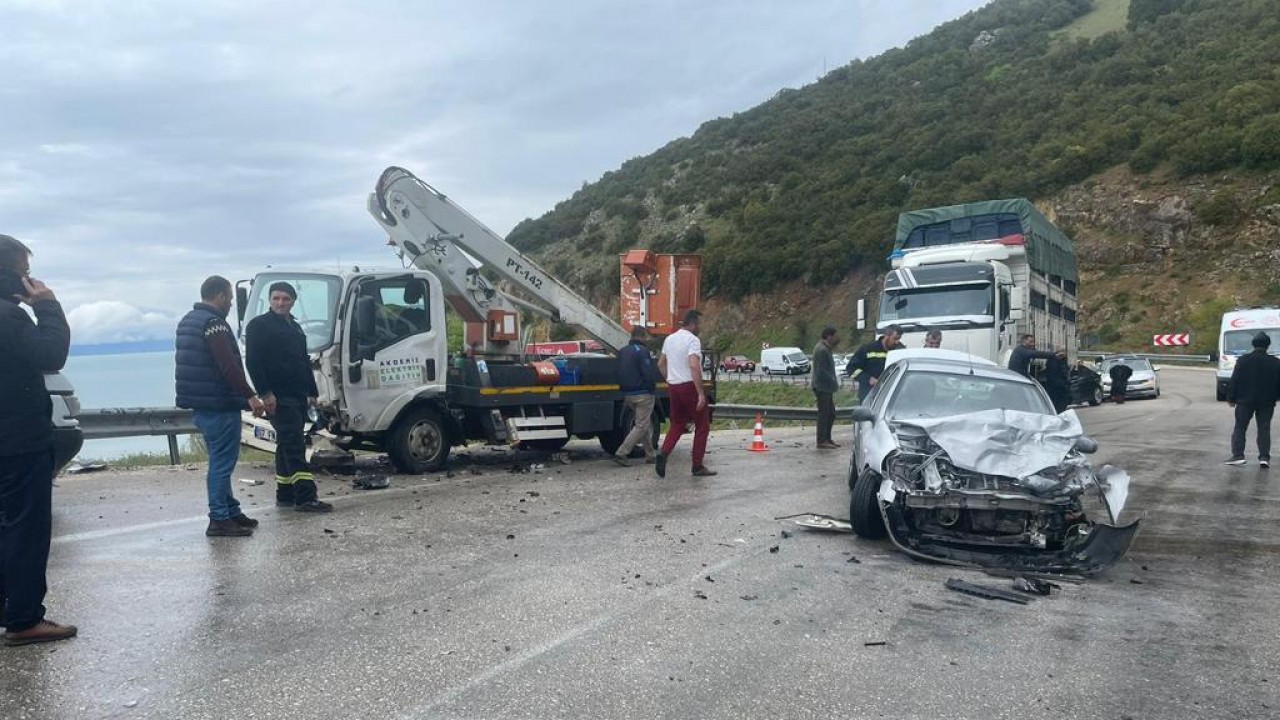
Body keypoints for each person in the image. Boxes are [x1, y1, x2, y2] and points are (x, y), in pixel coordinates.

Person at [0, 234, 76, 646]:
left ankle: (7, 608)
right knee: (25, 530)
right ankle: (25, 618)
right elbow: (50, 355)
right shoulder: (9, 317)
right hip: (18, 441)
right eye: (25, 272)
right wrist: (47, 305)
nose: (29, 280)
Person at [175, 276, 266, 537]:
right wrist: (250, 395)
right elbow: (228, 365)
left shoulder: (188, 321)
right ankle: (219, 518)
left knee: (219, 460)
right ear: (221, 296)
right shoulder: (214, 324)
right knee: (222, 464)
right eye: (230, 299)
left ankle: (231, 511)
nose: (230, 305)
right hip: (219, 403)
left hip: (200, 403)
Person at [245, 282, 332, 512]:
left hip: (297, 395)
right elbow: (253, 362)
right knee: (294, 446)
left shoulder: (295, 327)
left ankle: (285, 493)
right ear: (269, 300)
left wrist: (312, 392)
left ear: (293, 301)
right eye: (276, 298)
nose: (280, 303)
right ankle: (306, 497)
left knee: (285, 444)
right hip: (278, 396)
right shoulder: (259, 325)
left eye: (285, 299)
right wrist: (265, 393)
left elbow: (303, 362)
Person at [656, 310, 715, 478]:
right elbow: (694, 365)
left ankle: (664, 452)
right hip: (689, 386)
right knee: (702, 425)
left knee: (678, 423)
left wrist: (670, 379)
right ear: (693, 324)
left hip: (674, 387)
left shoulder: (670, 339)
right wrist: (701, 393)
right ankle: (697, 465)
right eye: (699, 324)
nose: (700, 327)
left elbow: (660, 364)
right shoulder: (693, 340)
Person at [1224, 332, 1280, 467]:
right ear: (1268, 345)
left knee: (1240, 427)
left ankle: (1238, 455)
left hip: (1245, 400)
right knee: (1264, 428)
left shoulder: (1243, 360)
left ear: (1253, 344)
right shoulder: (1275, 363)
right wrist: (1276, 397)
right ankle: (1264, 457)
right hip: (1267, 402)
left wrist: (1231, 398)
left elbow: (1235, 380)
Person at [613, 325, 660, 466]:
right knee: (641, 425)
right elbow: (647, 372)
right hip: (643, 393)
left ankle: (650, 455)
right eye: (645, 336)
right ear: (641, 336)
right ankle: (622, 452)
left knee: (643, 423)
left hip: (628, 394)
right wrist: (652, 387)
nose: (647, 339)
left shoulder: (623, 351)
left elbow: (618, 371)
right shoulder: (642, 351)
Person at [846, 325, 903, 402]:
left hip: (892, 397)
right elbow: (851, 368)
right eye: (895, 338)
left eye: (899, 339)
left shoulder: (900, 350)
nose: (897, 342)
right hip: (869, 396)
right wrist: (868, 379)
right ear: (887, 336)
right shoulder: (868, 349)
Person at [811, 326, 840, 449]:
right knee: (824, 414)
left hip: (826, 388)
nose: (836, 338)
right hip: (822, 387)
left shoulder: (826, 349)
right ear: (829, 336)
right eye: (835, 336)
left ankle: (827, 438)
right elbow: (821, 371)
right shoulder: (822, 350)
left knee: (831, 414)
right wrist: (833, 380)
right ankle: (822, 440)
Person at [1043, 349, 1072, 413]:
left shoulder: (1063, 362)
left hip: (1061, 388)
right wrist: (1064, 385)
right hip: (1056, 388)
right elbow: (1053, 376)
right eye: (1061, 355)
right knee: (1056, 404)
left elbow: (1065, 373)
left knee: (1060, 404)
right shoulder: (1053, 363)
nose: (1062, 356)